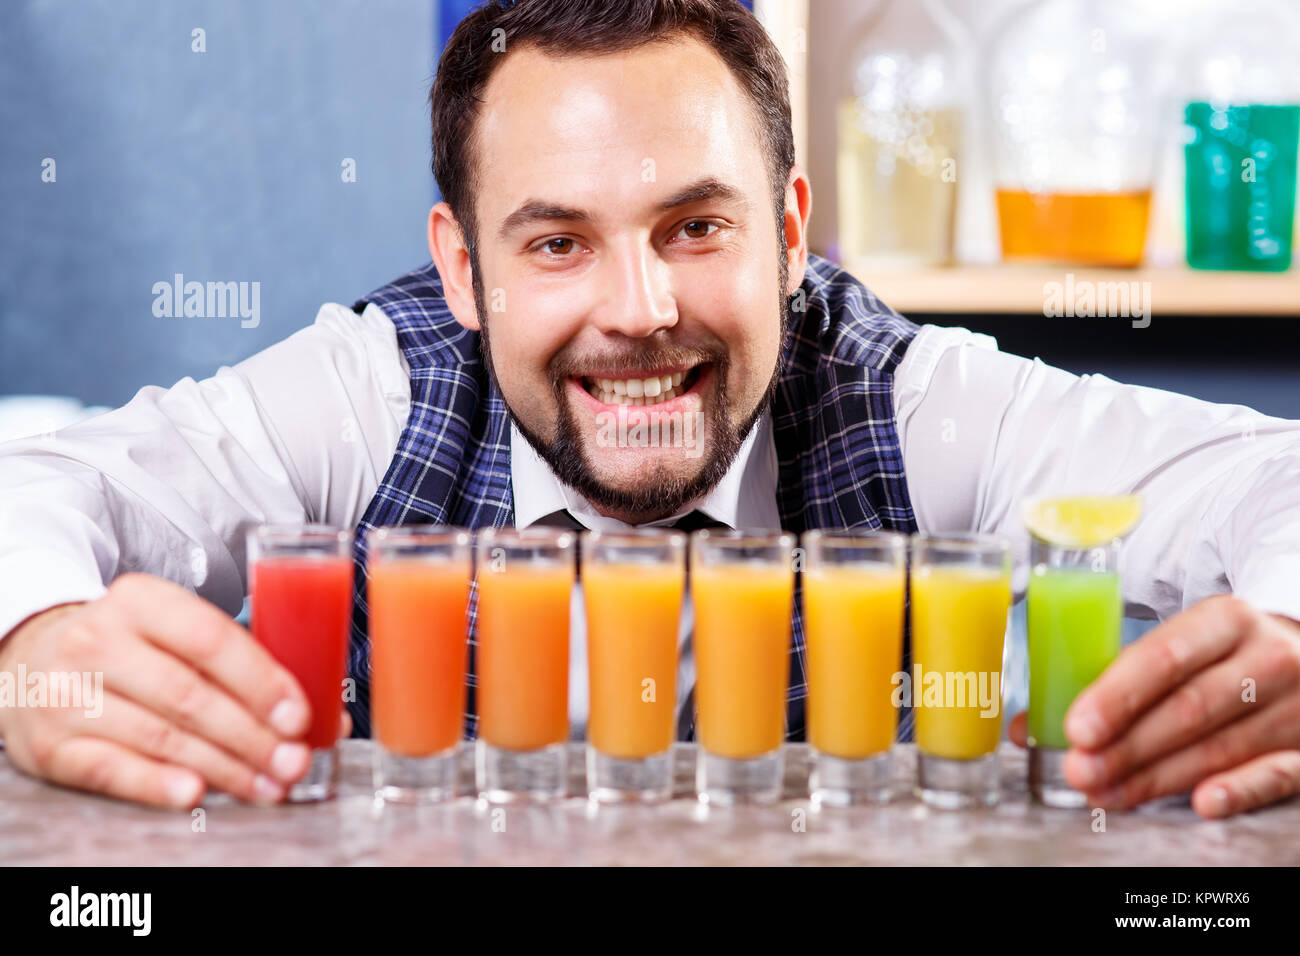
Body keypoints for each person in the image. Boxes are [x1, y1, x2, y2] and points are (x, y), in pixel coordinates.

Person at [1, 0, 1298, 817]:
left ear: (791, 234)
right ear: (464, 269)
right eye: (556, 243)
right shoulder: (370, 390)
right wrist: (33, 637)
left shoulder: (902, 399)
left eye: (695, 226)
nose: (638, 308)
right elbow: (46, 486)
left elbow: (1266, 479)